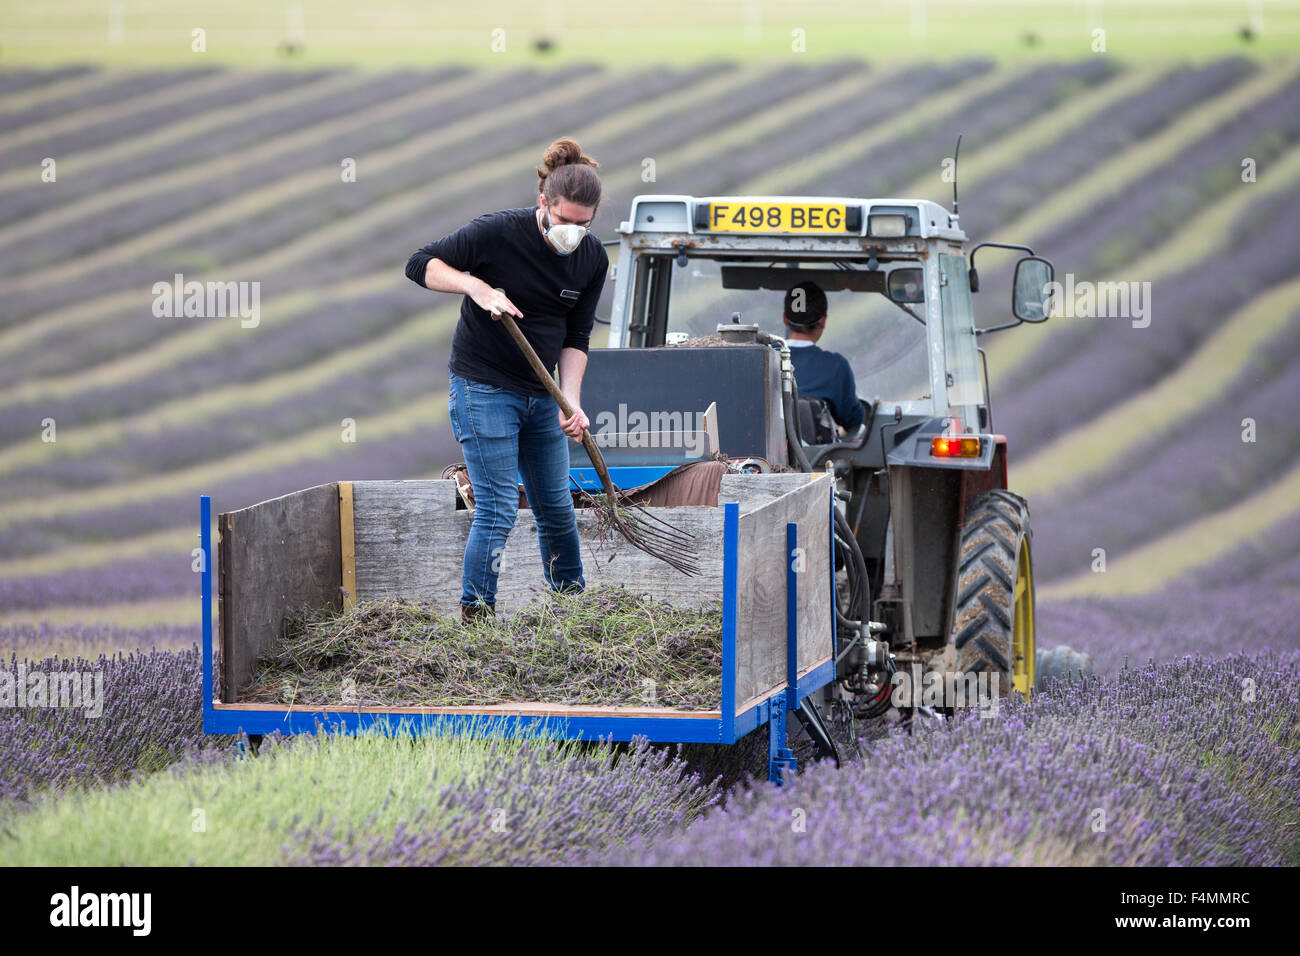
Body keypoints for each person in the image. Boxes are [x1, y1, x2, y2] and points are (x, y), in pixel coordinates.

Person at [404, 139, 609, 622]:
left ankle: (572, 617)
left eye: (585, 224)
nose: (573, 233)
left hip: (543, 397)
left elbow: (577, 336)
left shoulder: (592, 259)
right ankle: (477, 622)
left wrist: (570, 402)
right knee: (497, 508)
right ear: (544, 204)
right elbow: (420, 263)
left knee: (557, 510)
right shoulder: (496, 233)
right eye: (565, 222)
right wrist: (476, 287)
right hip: (484, 389)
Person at [781, 279, 865, 433]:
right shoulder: (836, 366)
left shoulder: (764, 358)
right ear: (823, 321)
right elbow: (852, 420)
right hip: (819, 456)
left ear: (785, 319)